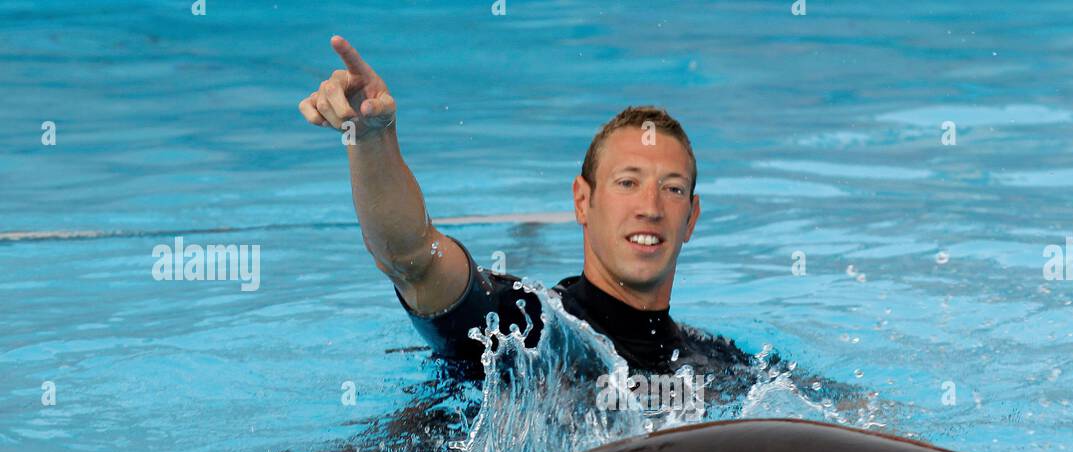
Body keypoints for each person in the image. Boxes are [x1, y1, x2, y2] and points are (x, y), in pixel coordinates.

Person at [298, 35, 748, 379]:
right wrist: (374, 140)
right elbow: (412, 261)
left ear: (691, 219)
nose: (650, 207)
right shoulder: (523, 326)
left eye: (671, 189)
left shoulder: (722, 366)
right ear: (583, 201)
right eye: (627, 183)